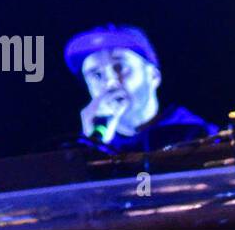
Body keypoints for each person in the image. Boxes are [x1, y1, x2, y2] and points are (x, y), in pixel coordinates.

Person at [63, 24, 218, 153]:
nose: (110, 82)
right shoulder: (84, 148)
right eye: (96, 75)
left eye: (120, 67)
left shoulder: (197, 135)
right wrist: (91, 143)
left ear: (153, 76)